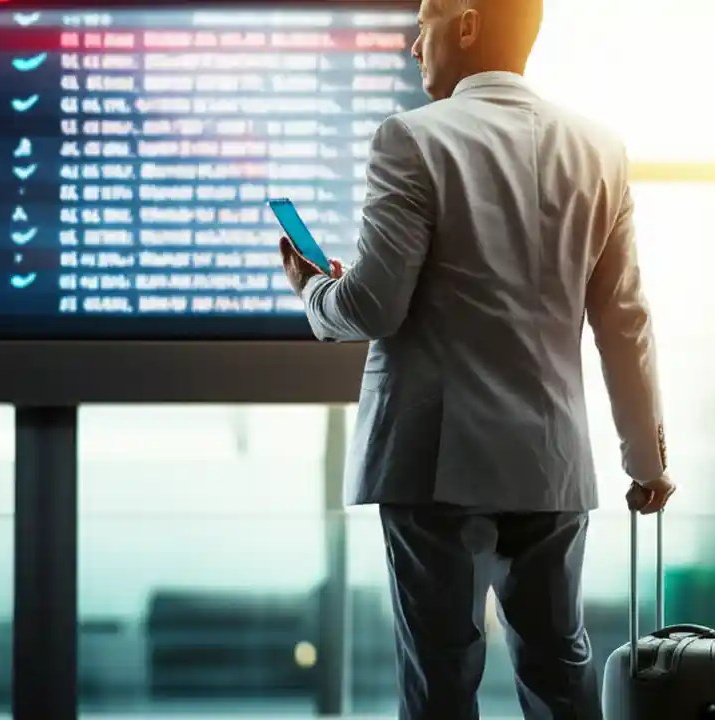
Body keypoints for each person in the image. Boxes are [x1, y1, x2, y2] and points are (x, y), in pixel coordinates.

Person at [278, 0, 677, 717]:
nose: (412, 44)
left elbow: (373, 308)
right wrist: (646, 462)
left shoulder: (411, 140)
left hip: (435, 466)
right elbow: (624, 321)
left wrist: (314, 291)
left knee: (439, 682)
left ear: (466, 24)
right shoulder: (600, 149)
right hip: (549, 461)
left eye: (425, 18)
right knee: (560, 670)